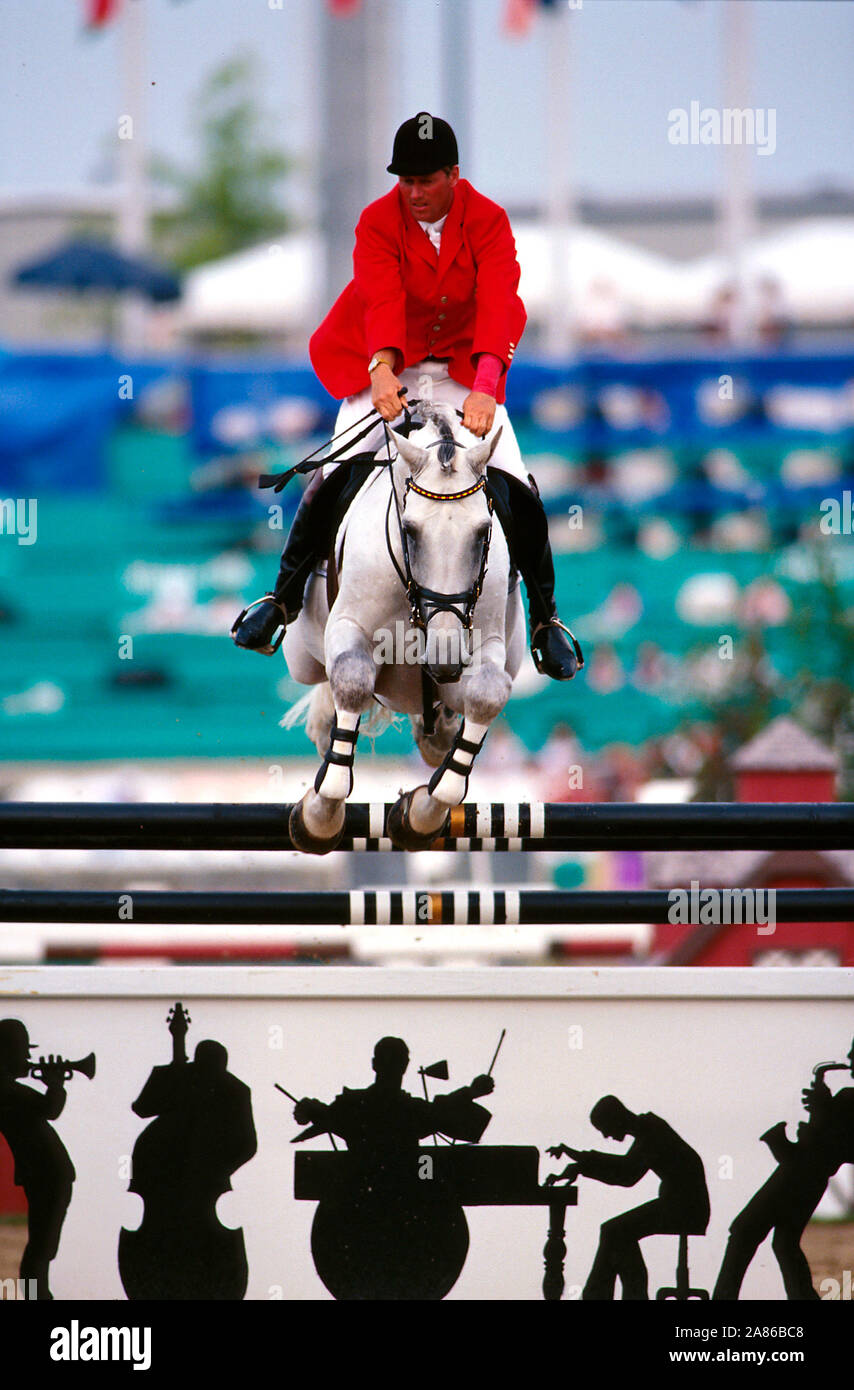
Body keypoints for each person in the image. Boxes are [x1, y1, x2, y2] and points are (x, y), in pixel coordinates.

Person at [231, 111, 581, 681]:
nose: (413, 193)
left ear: (454, 174)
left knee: (515, 478)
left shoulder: (489, 220)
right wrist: (382, 368)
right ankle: (283, 600)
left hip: (464, 367)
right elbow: (382, 299)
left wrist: (487, 388)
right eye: (406, 182)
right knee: (335, 469)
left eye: (426, 181)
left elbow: (499, 303)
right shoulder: (376, 220)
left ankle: (546, 623)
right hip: (380, 355)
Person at [713, 1036, 854, 1301]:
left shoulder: (849, 1099)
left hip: (801, 1172)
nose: (849, 1056)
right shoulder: (846, 1097)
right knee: (784, 1244)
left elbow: (839, 1146)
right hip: (808, 1174)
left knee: (744, 1230)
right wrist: (821, 1113)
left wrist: (822, 1112)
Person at [547, 1095, 710, 1300]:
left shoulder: (651, 1132)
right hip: (680, 1203)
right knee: (617, 1235)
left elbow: (626, 1174)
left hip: (686, 1207)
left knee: (614, 1232)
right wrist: (578, 1160)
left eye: (604, 1129)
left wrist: (581, 1164)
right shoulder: (648, 1129)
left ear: (615, 1119)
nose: (606, 1136)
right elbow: (626, 1166)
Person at [0, 1019, 77, 1300]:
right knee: (39, 1251)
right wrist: (55, 1084)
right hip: (46, 1175)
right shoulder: (5, 1088)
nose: (28, 1059)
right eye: (21, 1051)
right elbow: (50, 1108)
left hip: (45, 1175)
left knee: (40, 1250)